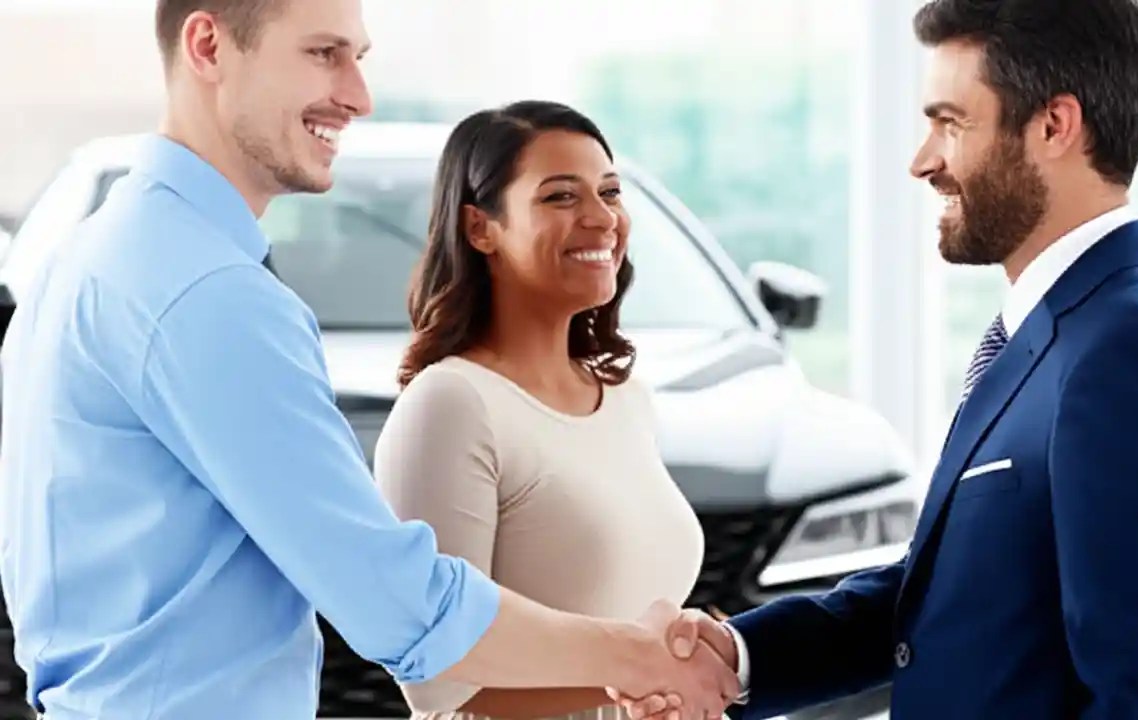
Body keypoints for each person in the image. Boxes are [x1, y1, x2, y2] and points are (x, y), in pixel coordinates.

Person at [0, 2, 737, 719]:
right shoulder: (207, 292)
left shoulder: (86, 260)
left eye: (359, 58)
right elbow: (394, 602)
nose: (357, 96)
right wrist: (636, 660)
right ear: (208, 48)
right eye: (324, 54)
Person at [619, 0, 1138, 718]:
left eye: (951, 123)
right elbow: (949, 596)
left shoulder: (1132, 353)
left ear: (1053, 126)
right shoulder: (1051, 333)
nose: (924, 161)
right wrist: (741, 657)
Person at [372, 100, 707, 720]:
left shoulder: (628, 400)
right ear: (481, 229)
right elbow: (442, 684)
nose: (601, 217)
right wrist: (650, 679)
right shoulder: (450, 405)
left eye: (610, 191)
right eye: (560, 197)